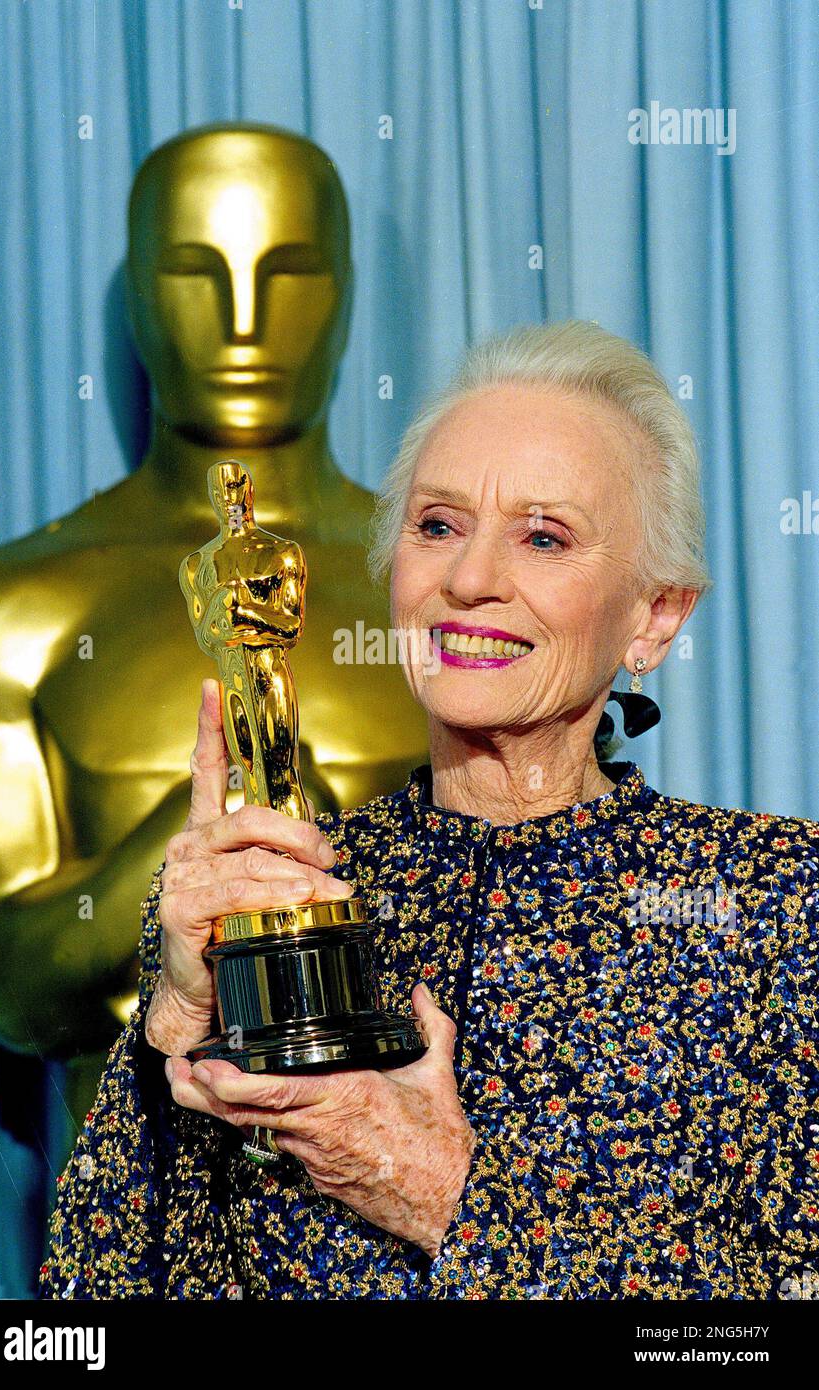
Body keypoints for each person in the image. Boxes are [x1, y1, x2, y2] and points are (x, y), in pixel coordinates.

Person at [40, 321, 819, 1300]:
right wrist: (172, 1031)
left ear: (654, 616)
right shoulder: (274, 887)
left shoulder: (779, 901)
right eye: (438, 525)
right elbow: (93, 1312)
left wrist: (442, 1196)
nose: (468, 580)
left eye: (544, 536)